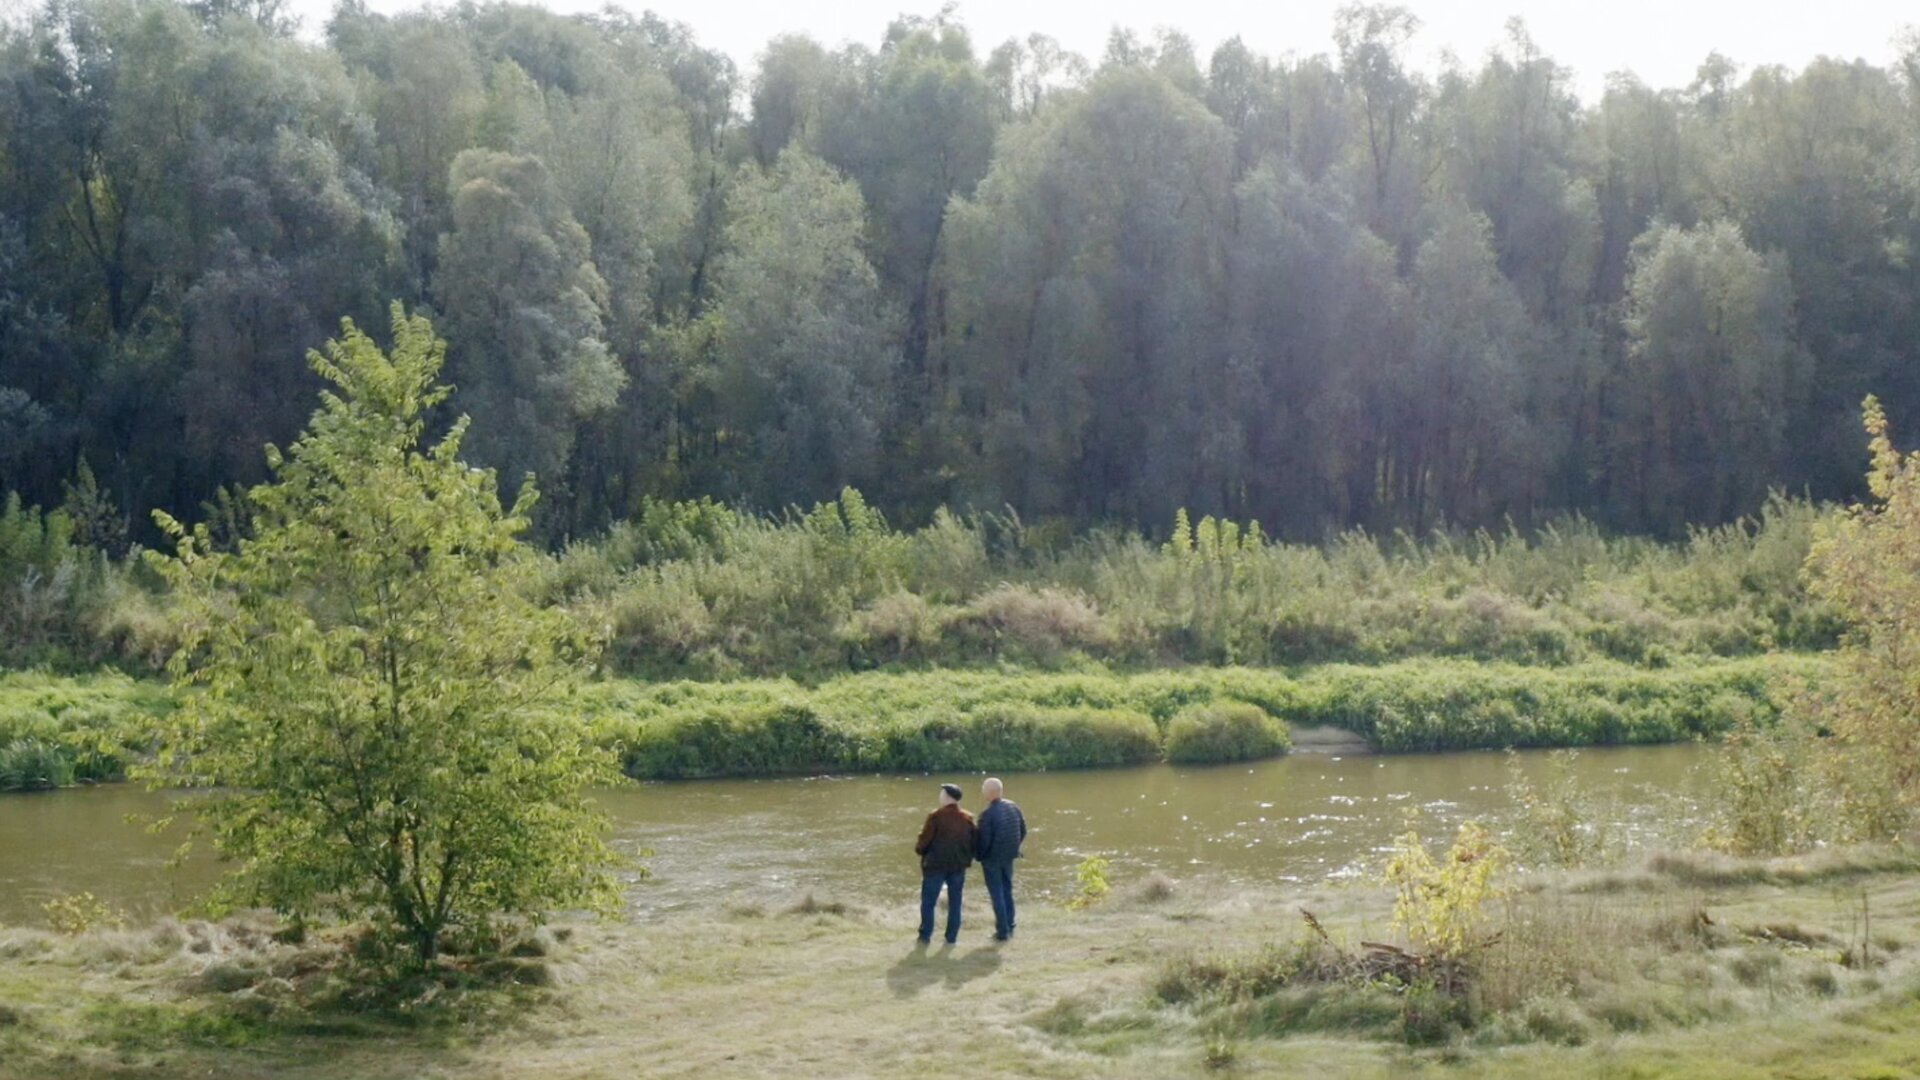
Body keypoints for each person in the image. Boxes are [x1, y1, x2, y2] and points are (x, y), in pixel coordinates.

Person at [914, 782, 976, 945]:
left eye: (942, 794)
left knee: (928, 902)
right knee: (955, 903)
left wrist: (920, 850)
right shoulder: (968, 818)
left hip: (935, 866)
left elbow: (924, 841)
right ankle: (951, 937)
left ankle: (925, 935)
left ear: (947, 797)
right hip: (958, 866)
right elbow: (974, 842)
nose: (940, 796)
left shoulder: (935, 817)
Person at [974, 776, 1027, 942]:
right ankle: (1010, 924)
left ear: (989, 793)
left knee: (997, 893)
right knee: (1007, 890)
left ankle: (1002, 931)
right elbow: (1023, 830)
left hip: (992, 860)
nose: (982, 791)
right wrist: (1014, 847)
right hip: (1009, 856)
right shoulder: (1013, 807)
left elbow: (984, 841)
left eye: (983, 788)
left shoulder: (987, 814)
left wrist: (979, 856)